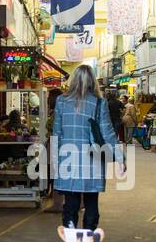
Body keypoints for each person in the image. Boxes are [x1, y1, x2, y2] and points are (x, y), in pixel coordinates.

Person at [51, 64, 122, 231]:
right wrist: (120, 158)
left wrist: (55, 161)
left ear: (73, 80)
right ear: (92, 81)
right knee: (91, 203)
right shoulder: (98, 103)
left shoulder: (61, 101)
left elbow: (56, 133)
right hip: (93, 160)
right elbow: (108, 132)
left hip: (67, 160)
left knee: (70, 206)